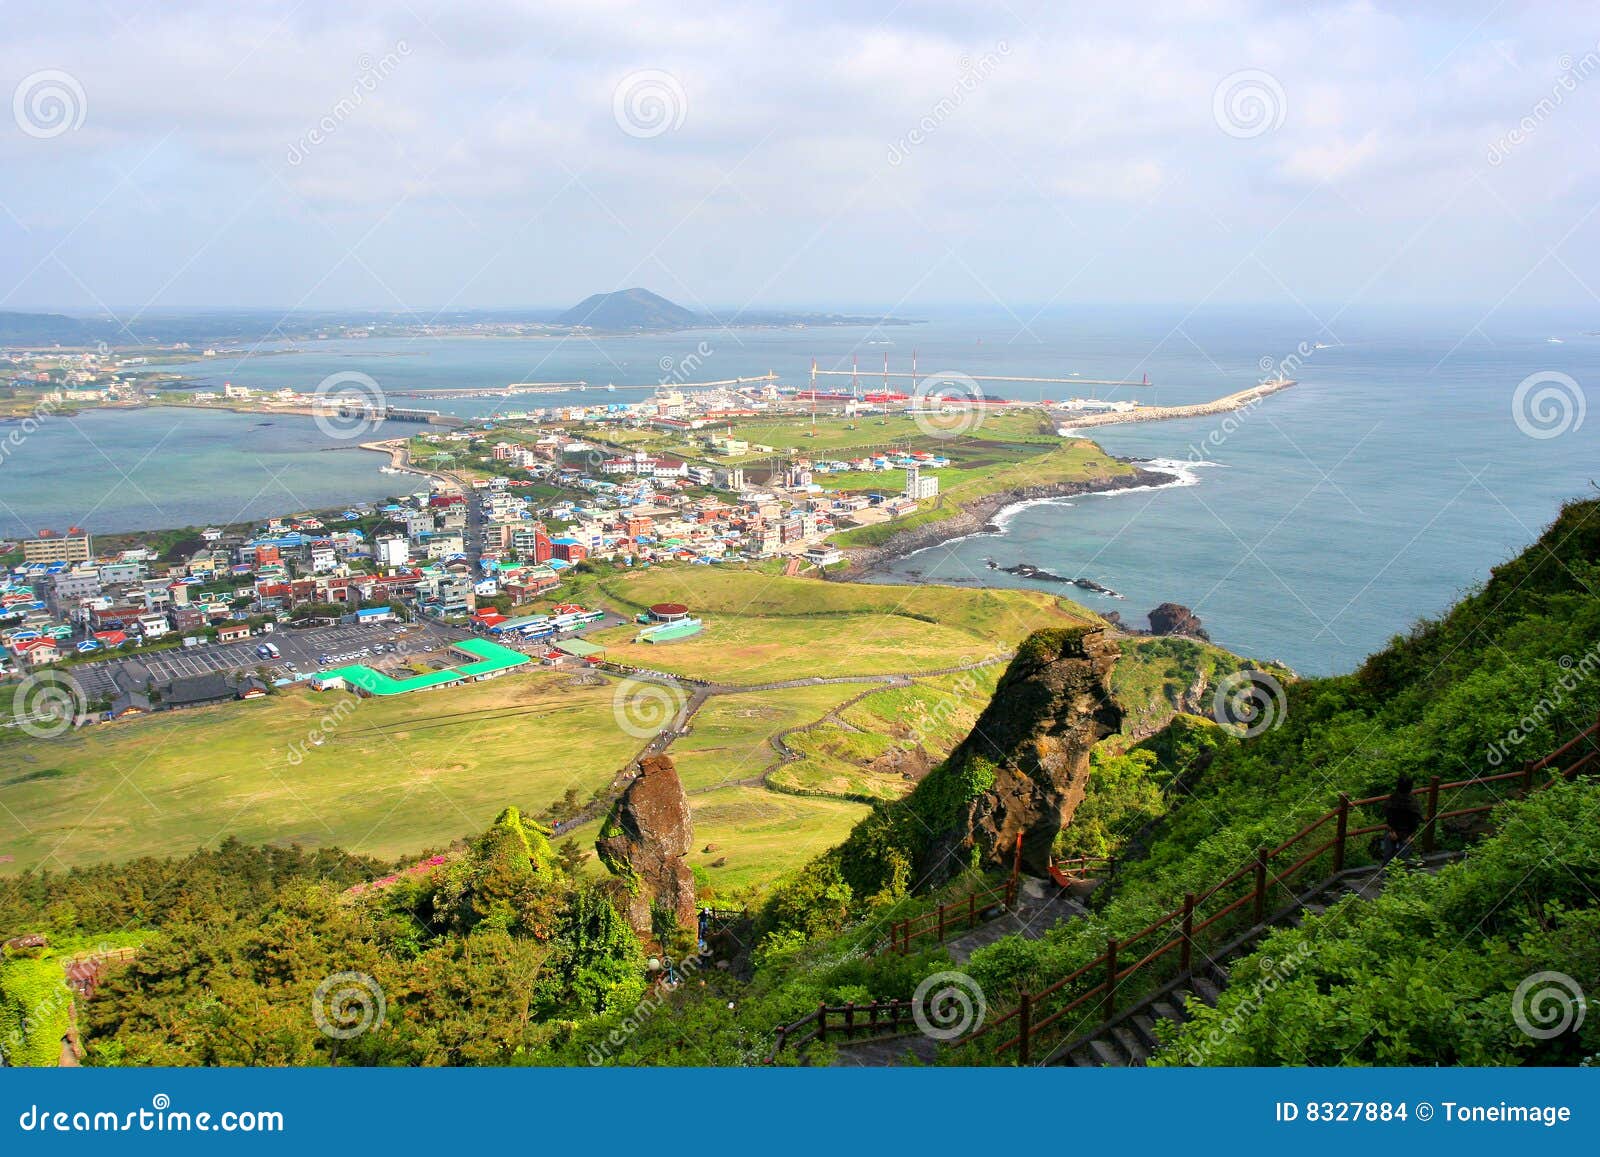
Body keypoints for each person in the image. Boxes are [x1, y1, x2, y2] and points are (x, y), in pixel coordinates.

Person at [1381, 775, 1423, 863]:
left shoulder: (1392, 799)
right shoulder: (1413, 802)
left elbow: (1387, 815)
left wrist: (1391, 830)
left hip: (1393, 832)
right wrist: (1411, 834)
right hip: (1406, 834)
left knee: (1388, 857)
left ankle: (1385, 875)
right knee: (1401, 861)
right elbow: (1416, 819)